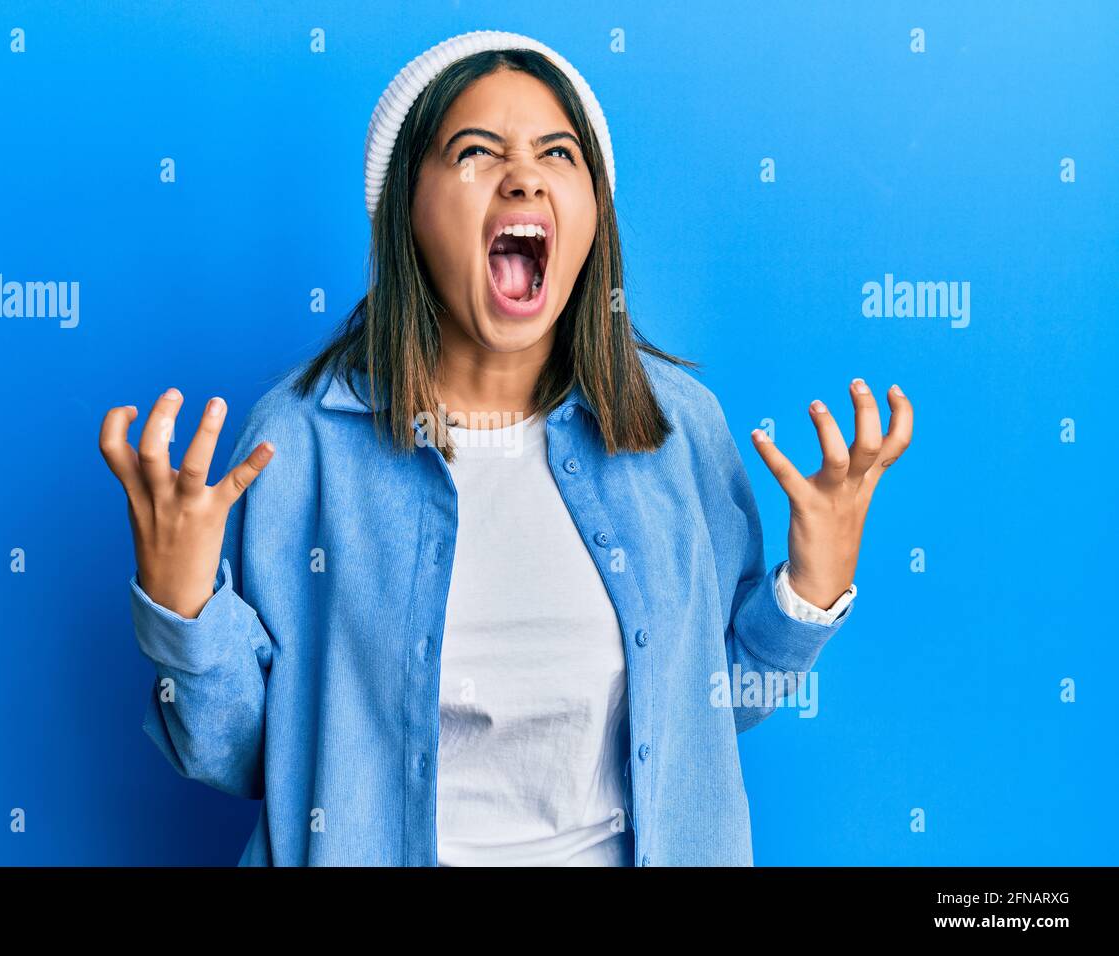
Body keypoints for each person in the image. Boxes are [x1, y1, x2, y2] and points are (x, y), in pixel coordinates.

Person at [98, 31, 912, 866]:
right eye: (476, 152)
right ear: (404, 210)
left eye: (558, 152)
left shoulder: (673, 428)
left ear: (594, 212)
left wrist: (813, 589)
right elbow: (237, 755)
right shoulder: (301, 441)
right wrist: (182, 600)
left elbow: (713, 707)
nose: (524, 174)